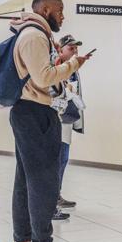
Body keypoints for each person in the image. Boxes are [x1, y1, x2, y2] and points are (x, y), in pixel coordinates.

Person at [8, 0, 91, 242]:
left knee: (26, 180)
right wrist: (73, 65)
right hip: (35, 112)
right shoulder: (34, 35)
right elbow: (44, 78)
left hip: (28, 112)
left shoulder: (32, 33)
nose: (63, 16)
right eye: (60, 10)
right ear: (45, 9)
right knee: (44, 180)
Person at [51, 34, 85, 219]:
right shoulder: (56, 67)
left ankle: (56, 196)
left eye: (76, 48)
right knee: (56, 161)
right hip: (56, 120)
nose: (75, 51)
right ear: (60, 50)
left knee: (63, 160)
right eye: (71, 48)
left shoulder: (73, 69)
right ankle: (51, 200)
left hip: (66, 121)